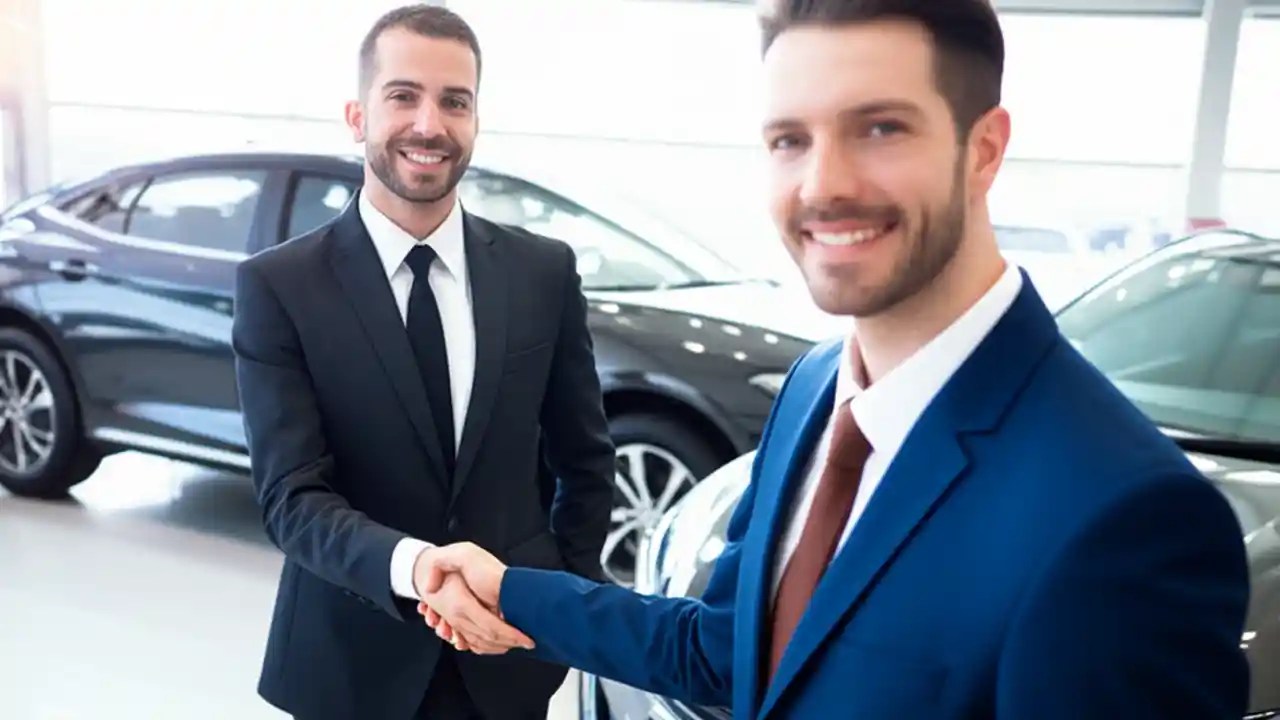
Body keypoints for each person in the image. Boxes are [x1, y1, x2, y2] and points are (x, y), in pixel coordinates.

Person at [413, 1, 1253, 718]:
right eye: (788, 139)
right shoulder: (819, 387)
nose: (822, 184)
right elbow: (730, 652)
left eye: (880, 127)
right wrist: (515, 591)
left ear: (985, 149)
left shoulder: (1126, 521)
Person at [230, 5, 614, 719]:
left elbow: (584, 464)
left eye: (454, 101)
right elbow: (292, 499)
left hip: (511, 657)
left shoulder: (542, 272)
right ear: (357, 115)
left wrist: (564, 607)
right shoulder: (280, 286)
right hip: (349, 663)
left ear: (475, 118)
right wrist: (417, 568)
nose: (430, 124)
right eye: (403, 96)